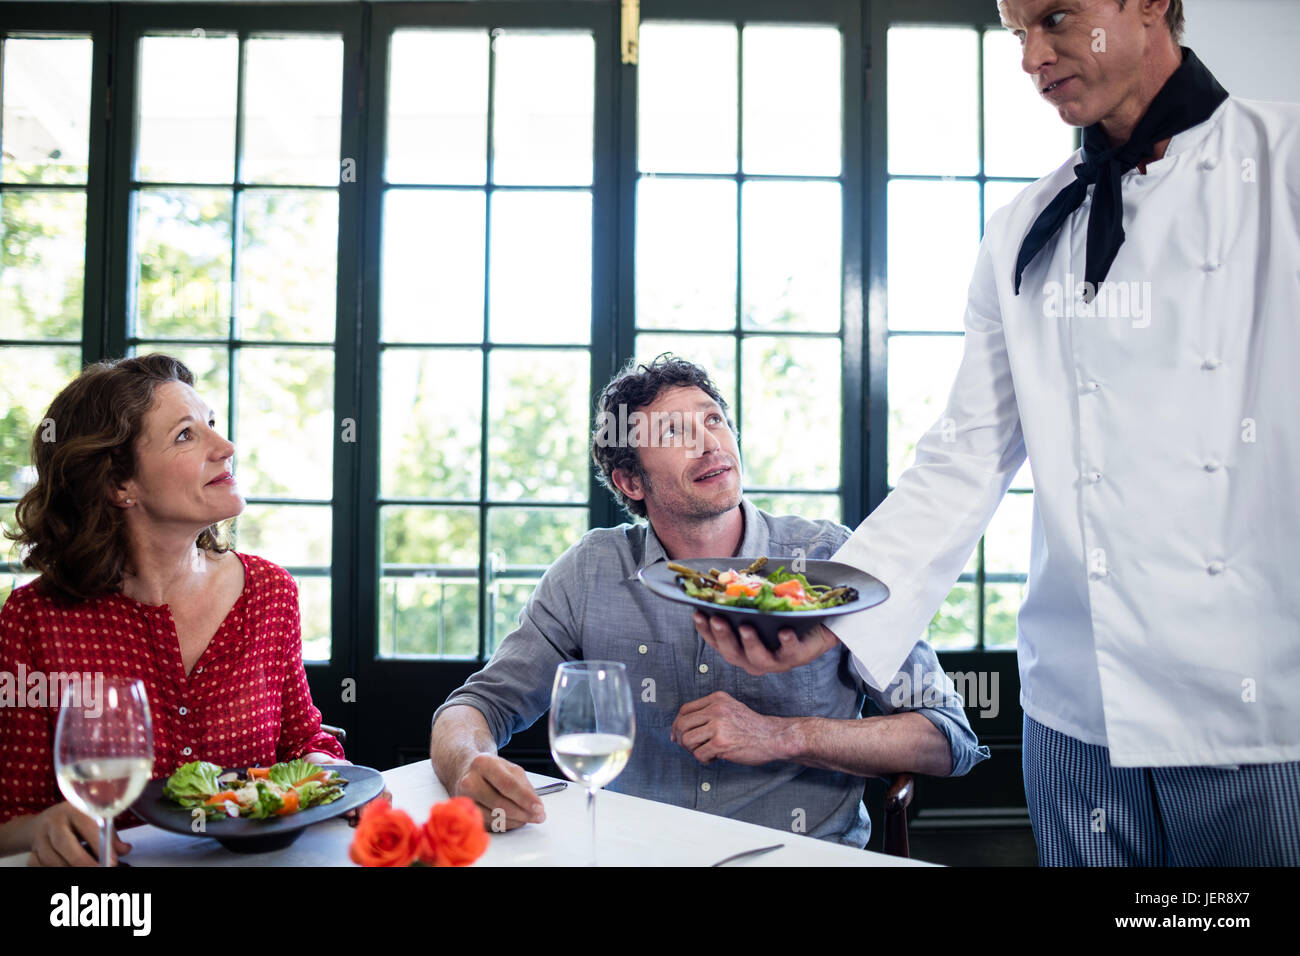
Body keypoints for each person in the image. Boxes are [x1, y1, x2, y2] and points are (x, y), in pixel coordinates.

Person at [694, 0, 1300, 865]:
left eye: (1056, 19)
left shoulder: (1283, 166)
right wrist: (828, 610)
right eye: (1017, 32)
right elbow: (965, 456)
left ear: (1152, 4)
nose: (1031, 58)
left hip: (1260, 712)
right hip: (1078, 712)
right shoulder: (1025, 226)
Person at [430, 355, 988, 847]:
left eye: (714, 420)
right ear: (630, 482)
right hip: (634, 854)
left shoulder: (830, 561)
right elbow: (474, 707)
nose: (710, 443)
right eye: (674, 432)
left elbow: (948, 738)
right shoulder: (591, 570)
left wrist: (779, 735)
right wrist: (466, 765)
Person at [0, 354, 347, 866]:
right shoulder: (35, 620)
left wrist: (322, 770)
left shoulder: (270, 591)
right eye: (186, 435)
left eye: (211, 424)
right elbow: (11, 817)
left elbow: (302, 742)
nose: (225, 447)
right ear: (120, 485)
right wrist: (42, 827)